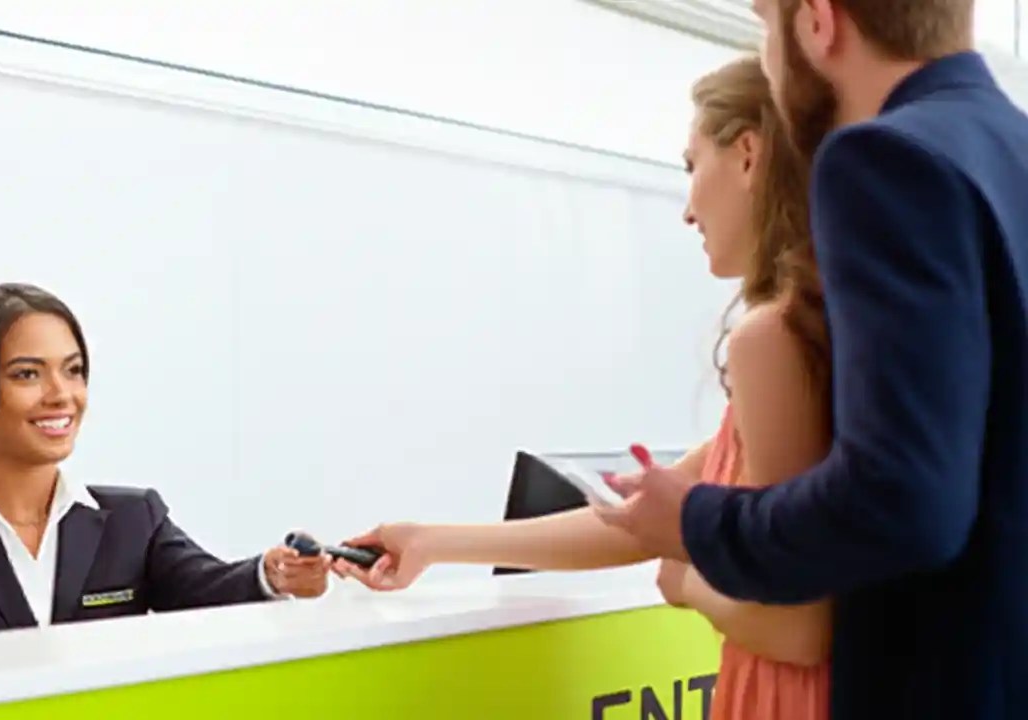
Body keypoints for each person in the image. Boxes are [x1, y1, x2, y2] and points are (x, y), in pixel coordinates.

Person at [335, 57, 833, 718]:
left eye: (691, 166)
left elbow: (799, 626)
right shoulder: (833, 324)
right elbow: (632, 520)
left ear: (748, 154)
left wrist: (686, 580)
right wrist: (433, 541)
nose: (687, 209)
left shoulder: (770, 339)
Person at [596, 1, 1028, 718]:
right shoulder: (1012, 148)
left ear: (819, 22)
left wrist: (699, 524)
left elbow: (907, 500)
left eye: (767, 25)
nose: (769, 57)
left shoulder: (885, 159)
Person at [0, 283, 329, 639]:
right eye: (27, 374)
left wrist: (275, 575)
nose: (61, 394)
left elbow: (212, 591)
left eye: (73, 370)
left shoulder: (133, 521)